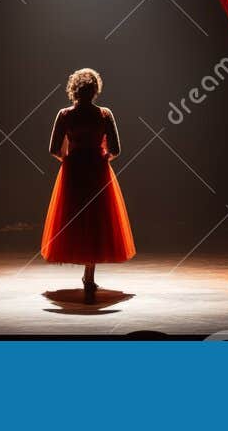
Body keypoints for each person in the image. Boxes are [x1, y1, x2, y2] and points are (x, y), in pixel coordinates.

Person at [39, 67, 136, 302]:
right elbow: (116, 149)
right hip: (97, 170)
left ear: (74, 90)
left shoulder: (65, 115)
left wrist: (69, 159)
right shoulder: (104, 114)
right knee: (97, 220)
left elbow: (53, 149)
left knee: (74, 218)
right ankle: (89, 276)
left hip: (73, 171)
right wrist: (101, 158)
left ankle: (87, 276)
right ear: (95, 91)